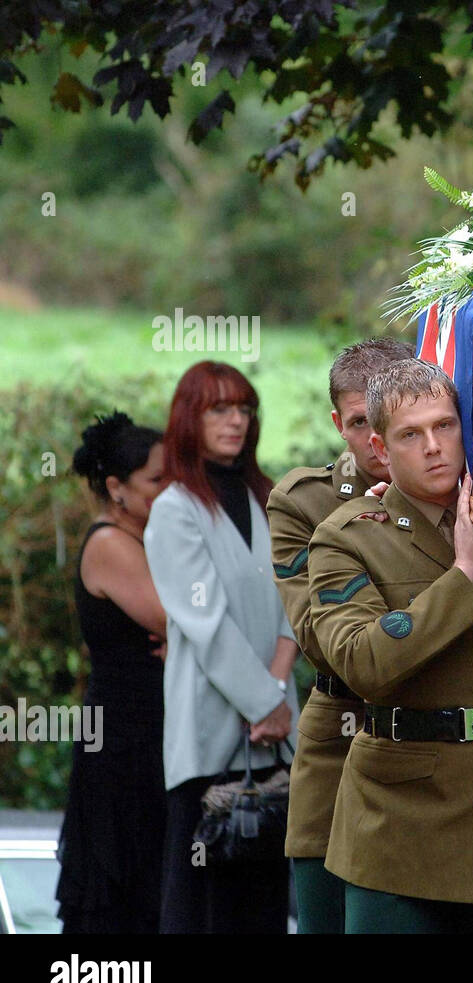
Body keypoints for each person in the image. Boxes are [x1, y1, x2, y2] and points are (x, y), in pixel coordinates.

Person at [308, 358, 473, 933]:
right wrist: (463, 571)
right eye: (411, 434)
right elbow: (362, 662)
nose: (433, 447)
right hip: (403, 828)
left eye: (446, 426)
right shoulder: (346, 538)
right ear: (378, 446)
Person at [143, 361, 300, 934]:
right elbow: (204, 623)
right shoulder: (174, 508)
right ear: (191, 418)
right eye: (219, 409)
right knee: (202, 904)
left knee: (263, 904)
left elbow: (295, 599)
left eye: (244, 408)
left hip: (277, 731)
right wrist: (267, 704)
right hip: (210, 733)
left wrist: (277, 691)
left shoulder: (270, 494)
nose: (236, 420)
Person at [267, 337, 412, 934]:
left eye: (389, 419)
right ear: (339, 424)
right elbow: (326, 642)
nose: (375, 438)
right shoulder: (307, 504)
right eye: (359, 422)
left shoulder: (461, 493)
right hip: (344, 735)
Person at [57, 412, 168, 933]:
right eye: (157, 480)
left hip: (148, 730)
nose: (170, 490)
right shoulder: (110, 544)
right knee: (120, 883)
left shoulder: (143, 539)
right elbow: (174, 617)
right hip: (125, 739)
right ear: (115, 488)